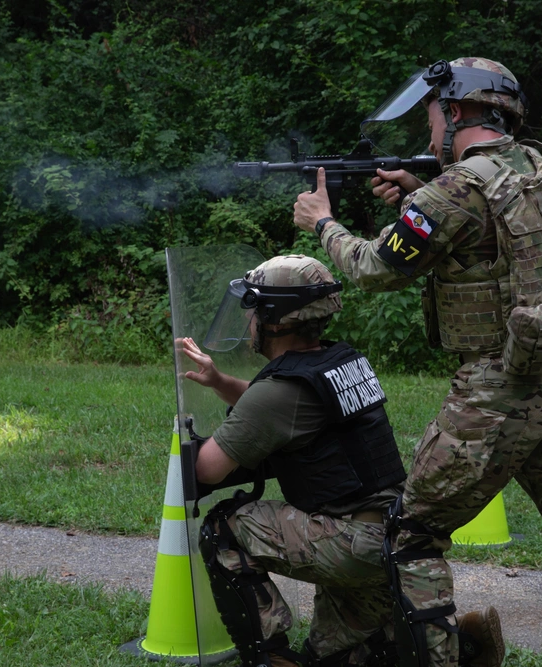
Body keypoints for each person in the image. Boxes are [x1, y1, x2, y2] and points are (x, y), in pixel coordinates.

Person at [292, 58, 542, 667]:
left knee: (412, 538)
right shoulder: (541, 166)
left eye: (432, 115)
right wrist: (419, 194)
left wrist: (324, 224)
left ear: (457, 110)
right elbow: (487, 241)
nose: (427, 132)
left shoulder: (456, 188)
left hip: (497, 391)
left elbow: (374, 267)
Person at [181, 254, 504, 667]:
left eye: (253, 311)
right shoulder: (340, 363)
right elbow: (280, 410)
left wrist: (184, 443)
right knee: (333, 659)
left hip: (348, 543)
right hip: (391, 537)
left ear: (274, 320)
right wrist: (219, 382)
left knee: (223, 528)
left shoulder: (281, 392)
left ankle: (269, 659)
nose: (249, 323)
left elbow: (208, 468)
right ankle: (464, 648)